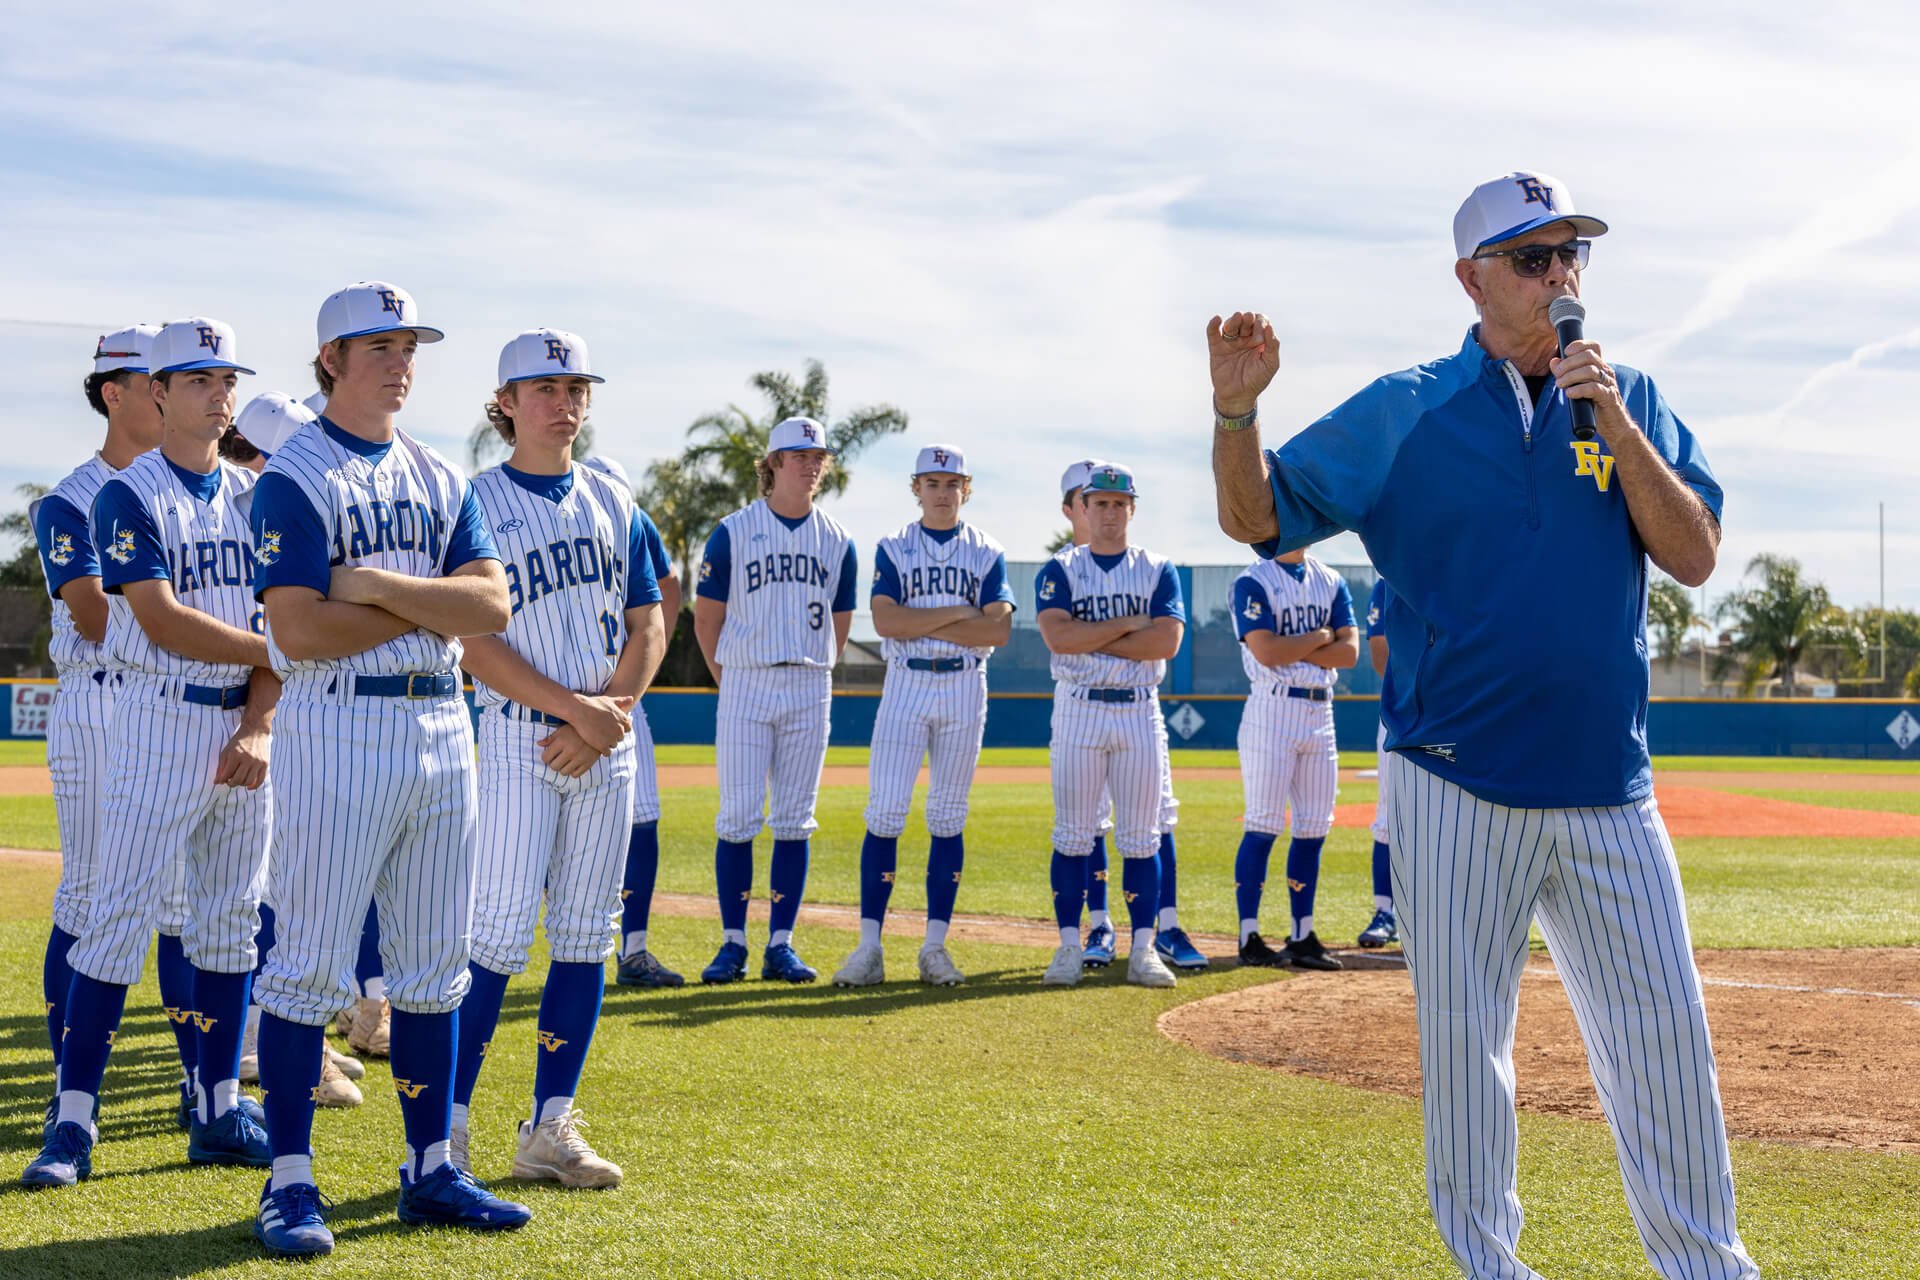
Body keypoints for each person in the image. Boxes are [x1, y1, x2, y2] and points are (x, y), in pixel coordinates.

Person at [1207, 171, 1755, 1278]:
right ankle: (1490, 1266)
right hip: (1454, 781)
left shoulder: (1629, 393)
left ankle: (1709, 1265)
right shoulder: (1406, 407)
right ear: (1472, 278)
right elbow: (1257, 516)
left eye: (1573, 255)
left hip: (1611, 783)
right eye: (1533, 257)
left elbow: (1694, 557)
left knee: (1666, 1045)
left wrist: (1609, 412)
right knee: (1468, 1054)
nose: (1561, 276)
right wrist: (1236, 412)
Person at [248, 281, 528, 1256]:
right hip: (339, 727)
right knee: (305, 969)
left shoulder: (443, 475)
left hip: (445, 727)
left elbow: (490, 604)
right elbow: (299, 626)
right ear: (330, 359)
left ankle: (431, 1168)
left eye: (409, 344)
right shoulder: (299, 470)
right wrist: (429, 602)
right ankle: (288, 1181)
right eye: (377, 346)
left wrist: (377, 586)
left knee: (432, 971)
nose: (400, 361)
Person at [25, 318, 276, 1186]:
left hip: (238, 720)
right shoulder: (112, 495)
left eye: (226, 378)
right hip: (143, 714)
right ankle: (71, 1122)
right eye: (197, 377)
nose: (219, 393)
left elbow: (279, 621)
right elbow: (150, 622)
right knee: (109, 912)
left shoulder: (255, 496)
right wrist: (278, 654)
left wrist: (261, 716)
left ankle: (214, 1106)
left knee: (226, 924)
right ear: (149, 392)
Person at [451, 328, 665, 1189]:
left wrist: (607, 712)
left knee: (585, 936)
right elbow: (471, 640)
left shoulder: (617, 502)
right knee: (496, 939)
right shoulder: (472, 501)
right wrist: (577, 712)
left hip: (603, 737)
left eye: (575, 386)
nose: (562, 401)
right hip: (515, 734)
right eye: (542, 388)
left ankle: (548, 1127)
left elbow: (649, 622)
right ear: (504, 403)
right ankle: (449, 1130)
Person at [27, 324, 198, 1143]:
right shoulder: (71, 498)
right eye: (149, 379)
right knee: (94, 894)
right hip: (101, 704)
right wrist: (182, 616)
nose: (166, 390)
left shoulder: (193, 487)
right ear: (114, 393)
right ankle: (70, 1085)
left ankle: (201, 1082)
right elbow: (98, 619)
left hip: (185, 698)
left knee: (185, 904)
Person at [226, 391, 366, 1108]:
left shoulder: (288, 507)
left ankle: (293, 1038)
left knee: (289, 892)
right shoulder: (251, 510)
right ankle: (263, 1044)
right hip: (244, 719)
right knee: (259, 899)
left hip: (294, 711)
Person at [833, 444, 1013, 988]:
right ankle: (869, 948)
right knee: (885, 813)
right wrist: (961, 611)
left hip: (963, 683)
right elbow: (887, 622)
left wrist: (927, 621)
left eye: (951, 483)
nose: (942, 492)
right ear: (916, 488)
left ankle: (935, 948)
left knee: (948, 816)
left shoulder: (987, 550)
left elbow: (997, 630)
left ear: (966, 488)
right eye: (932, 483)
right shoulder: (893, 545)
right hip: (907, 682)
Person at [693, 417, 856, 985]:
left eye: (818, 456)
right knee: (738, 817)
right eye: (799, 455)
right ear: (773, 464)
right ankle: (733, 942)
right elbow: (706, 618)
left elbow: (840, 620)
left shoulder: (837, 539)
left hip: (811, 682)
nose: (811, 463)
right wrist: (730, 676)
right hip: (746, 679)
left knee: (794, 819)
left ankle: (780, 943)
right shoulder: (734, 531)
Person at [1034, 464, 1185, 990]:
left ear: (1132, 509)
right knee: (1073, 834)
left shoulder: (1157, 567)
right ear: (1083, 507)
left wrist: (1089, 633)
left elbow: (1165, 642)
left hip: (1139, 707)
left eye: (1119, 504)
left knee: (1141, 838)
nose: (1110, 512)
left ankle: (1143, 950)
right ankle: (1069, 948)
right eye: (1100, 503)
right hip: (1079, 707)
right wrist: (1128, 624)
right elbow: (1058, 637)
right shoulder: (1061, 568)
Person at [579, 454, 686, 990]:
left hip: (621, 693)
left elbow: (666, 590)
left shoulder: (631, 517)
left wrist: (638, 665)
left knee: (640, 819)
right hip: (552, 693)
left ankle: (634, 949)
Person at [1229, 546, 1357, 969]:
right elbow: (1267, 652)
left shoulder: (1330, 579)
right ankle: (1249, 936)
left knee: (1314, 827)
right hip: (1273, 709)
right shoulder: (1253, 580)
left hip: (1321, 710)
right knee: (1263, 824)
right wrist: (1322, 636)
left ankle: (1302, 935)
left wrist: (1296, 646)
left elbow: (1350, 652)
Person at [1358, 577, 1398, 948]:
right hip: (1401, 714)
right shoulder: (1388, 583)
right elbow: (1379, 655)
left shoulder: (1463, 568)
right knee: (1388, 817)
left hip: (1462, 715)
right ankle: (1385, 911)